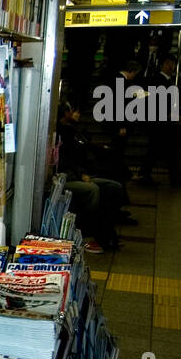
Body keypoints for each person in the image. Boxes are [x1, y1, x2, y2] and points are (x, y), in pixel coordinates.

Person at [57, 103, 127, 253]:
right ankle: (94, 235)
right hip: (68, 176)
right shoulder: (61, 132)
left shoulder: (75, 130)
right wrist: (81, 173)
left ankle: (108, 232)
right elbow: (64, 160)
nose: (77, 114)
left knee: (114, 187)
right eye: (73, 111)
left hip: (81, 173)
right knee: (93, 190)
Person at [138, 54, 181, 188]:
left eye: (173, 64)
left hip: (164, 123)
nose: (171, 66)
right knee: (162, 151)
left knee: (163, 151)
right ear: (161, 65)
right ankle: (171, 178)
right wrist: (168, 114)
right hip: (159, 123)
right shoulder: (156, 80)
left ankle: (171, 178)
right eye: (168, 63)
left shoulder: (168, 81)